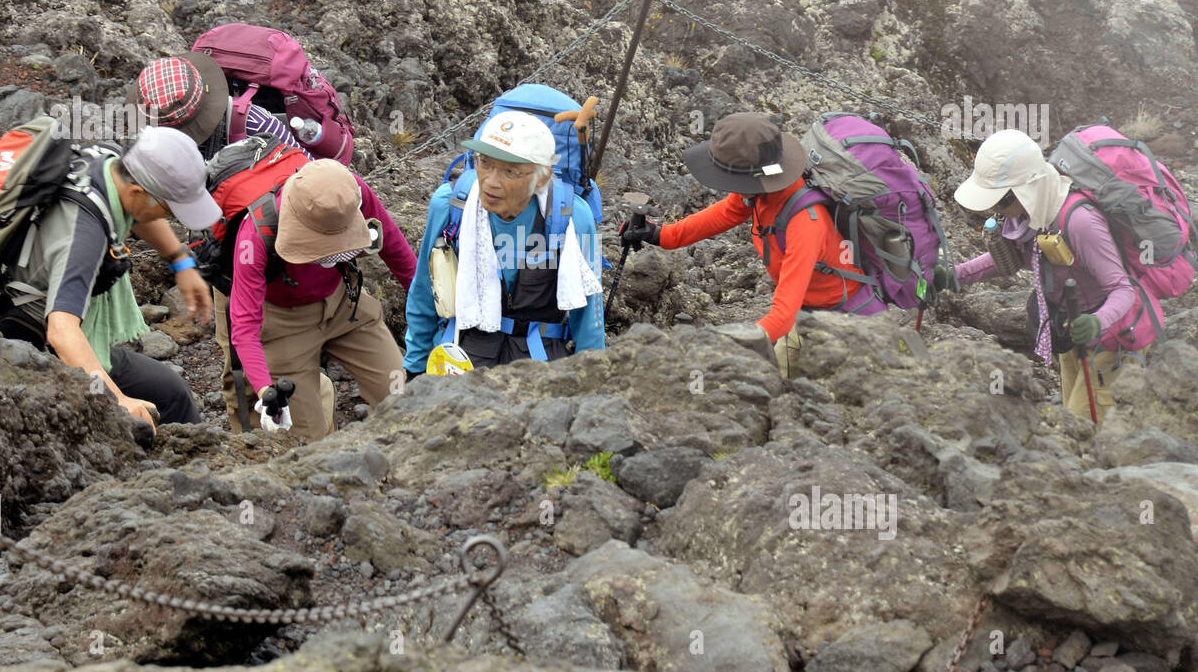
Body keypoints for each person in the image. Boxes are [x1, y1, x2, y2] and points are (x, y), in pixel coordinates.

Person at [128, 53, 337, 431]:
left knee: (289, 358)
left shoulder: (252, 123)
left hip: (281, 256)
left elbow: (308, 180)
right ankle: (248, 440)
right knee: (237, 358)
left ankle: (307, 436)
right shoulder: (161, 147)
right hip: (227, 260)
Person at [2, 126, 220, 430]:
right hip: (32, 347)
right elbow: (61, 331)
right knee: (153, 405)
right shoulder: (84, 236)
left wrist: (179, 260)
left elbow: (141, 212)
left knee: (171, 391)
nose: (169, 218)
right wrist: (117, 400)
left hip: (62, 329)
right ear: (137, 192)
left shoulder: (110, 162)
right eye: (169, 209)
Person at [620, 112, 865, 377]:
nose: (729, 186)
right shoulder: (762, 190)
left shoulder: (805, 222)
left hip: (846, 321)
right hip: (805, 310)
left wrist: (727, 349)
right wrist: (659, 235)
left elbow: (782, 316)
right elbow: (724, 213)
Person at [937, 129, 1155, 420]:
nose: (993, 208)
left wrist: (1096, 323)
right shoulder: (1032, 216)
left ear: (1025, 190)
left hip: (1114, 338)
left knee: (1086, 428)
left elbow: (1123, 289)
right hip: (1072, 332)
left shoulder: (1078, 221)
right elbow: (1010, 258)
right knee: (1073, 423)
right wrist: (955, 276)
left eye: (1000, 201)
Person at [228, 159, 416, 441]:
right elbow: (244, 326)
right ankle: (317, 392)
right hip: (284, 325)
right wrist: (266, 390)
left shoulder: (349, 195)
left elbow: (394, 247)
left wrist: (435, 310)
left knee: (400, 397)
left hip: (345, 306)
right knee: (306, 441)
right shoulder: (255, 236)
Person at [404, 111, 604, 372]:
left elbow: (589, 312)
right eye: (485, 163)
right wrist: (414, 367)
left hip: (540, 356)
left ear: (541, 178)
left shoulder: (574, 216)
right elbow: (423, 289)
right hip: (463, 349)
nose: (491, 182)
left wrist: (594, 380)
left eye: (510, 170)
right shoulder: (451, 204)